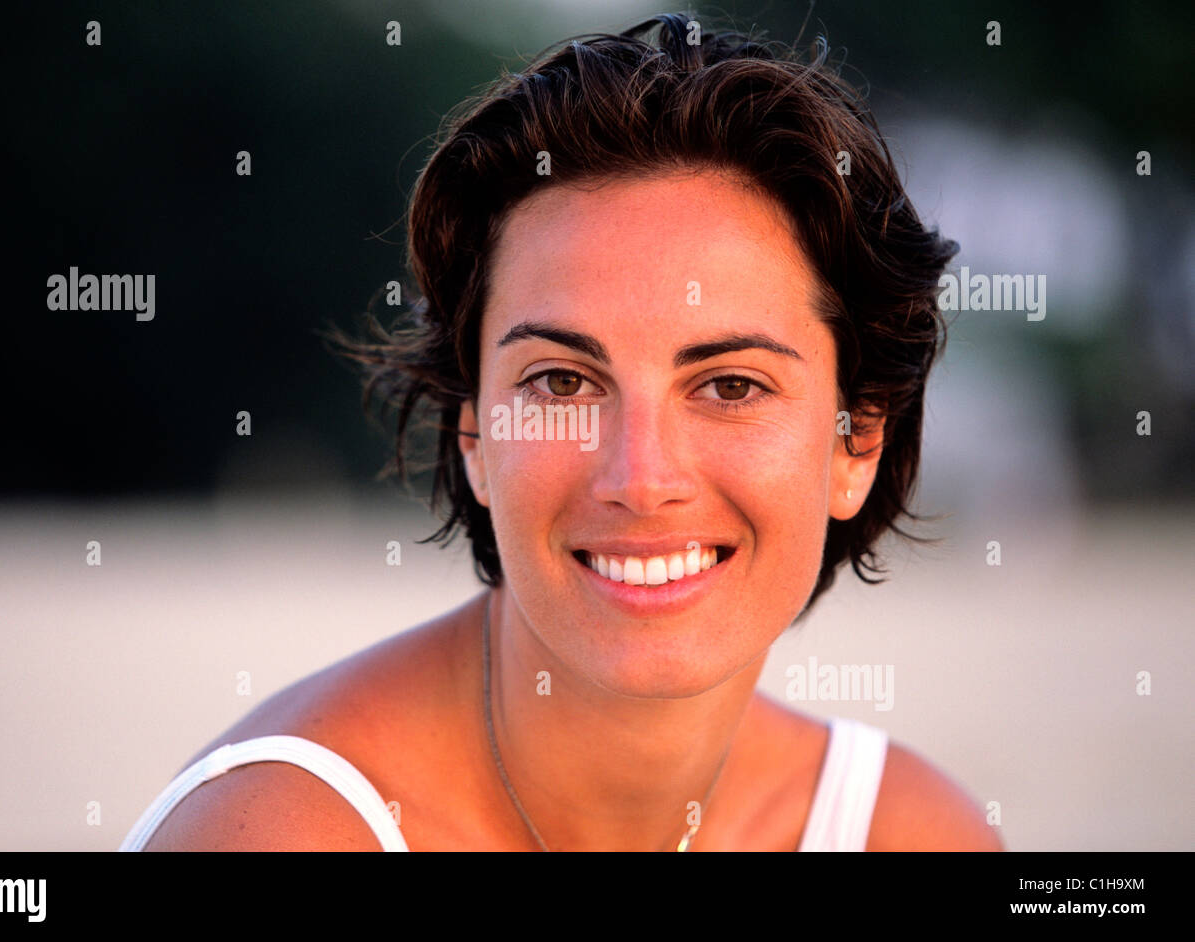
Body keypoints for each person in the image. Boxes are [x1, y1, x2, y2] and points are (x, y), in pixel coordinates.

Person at [122, 12, 1002, 851]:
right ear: (472, 433)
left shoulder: (909, 832)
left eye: (731, 385)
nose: (641, 476)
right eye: (563, 382)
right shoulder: (281, 830)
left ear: (858, 441)